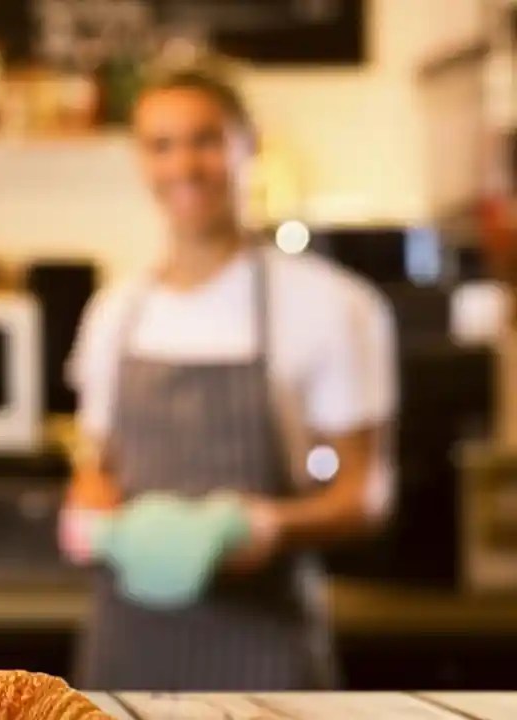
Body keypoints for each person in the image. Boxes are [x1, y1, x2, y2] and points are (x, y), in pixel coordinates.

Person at [60, 69, 396, 691]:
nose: (184, 165)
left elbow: (366, 495)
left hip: (265, 649)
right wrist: (88, 505)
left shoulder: (331, 306)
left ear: (248, 146)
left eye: (206, 139)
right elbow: (96, 461)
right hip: (124, 652)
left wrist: (272, 526)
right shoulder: (114, 313)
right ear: (141, 161)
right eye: (161, 145)